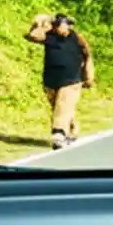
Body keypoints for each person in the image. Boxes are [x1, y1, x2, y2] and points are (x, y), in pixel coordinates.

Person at [25, 13, 95, 149]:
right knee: (59, 107)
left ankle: (58, 133)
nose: (62, 28)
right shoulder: (49, 36)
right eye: (59, 24)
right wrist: (44, 25)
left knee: (63, 105)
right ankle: (71, 131)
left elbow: (88, 55)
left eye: (64, 24)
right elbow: (32, 36)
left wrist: (88, 76)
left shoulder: (76, 37)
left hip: (72, 80)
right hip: (51, 80)